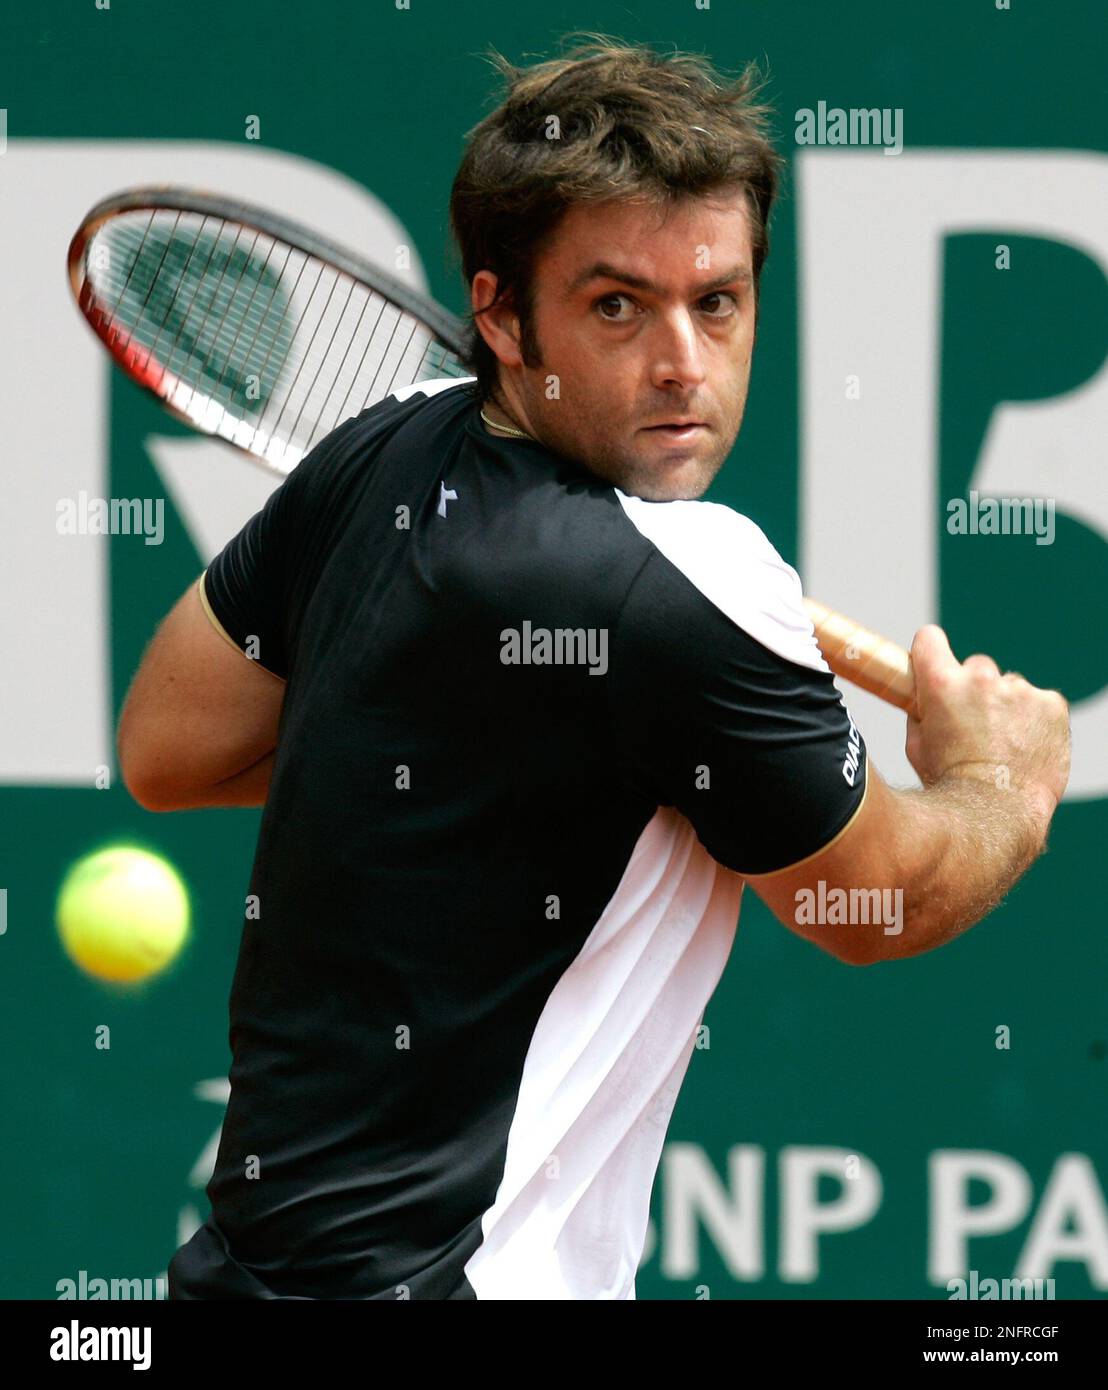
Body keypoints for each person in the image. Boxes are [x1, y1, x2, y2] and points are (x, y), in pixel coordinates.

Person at [118, 37, 1070, 1300]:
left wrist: (502, 756)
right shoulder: (695, 579)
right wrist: (997, 779)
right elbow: (879, 903)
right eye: (618, 305)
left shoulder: (374, 449)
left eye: (716, 302)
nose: (682, 361)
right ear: (500, 313)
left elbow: (169, 748)